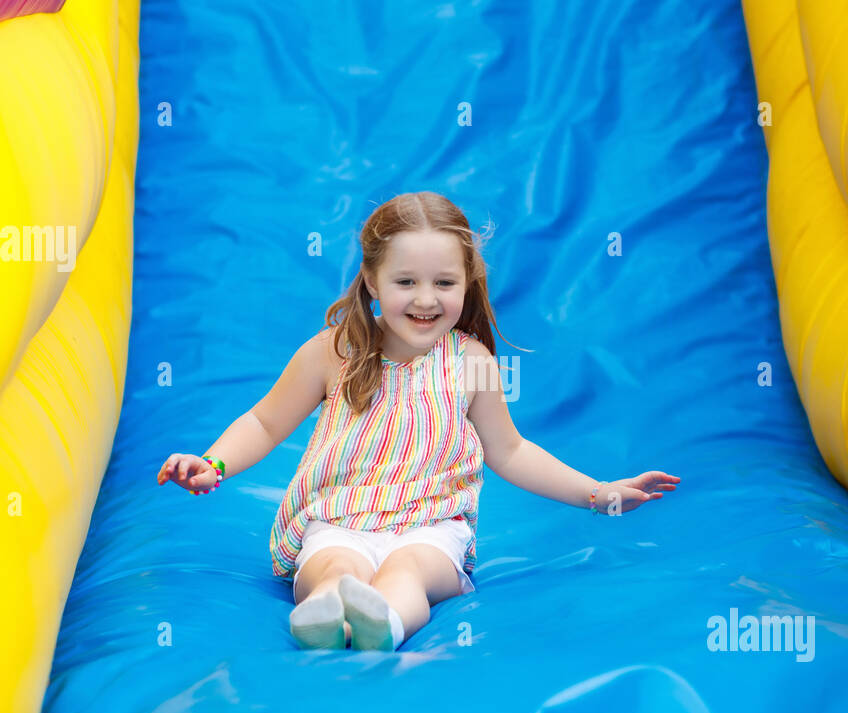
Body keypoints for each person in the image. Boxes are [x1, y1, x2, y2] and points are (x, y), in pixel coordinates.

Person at [157, 191, 678, 651]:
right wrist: (214, 463)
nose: (426, 299)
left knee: (406, 570)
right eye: (406, 281)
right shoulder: (334, 352)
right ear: (372, 280)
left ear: (467, 284)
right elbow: (266, 422)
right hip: (339, 518)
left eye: (444, 283)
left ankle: (383, 622)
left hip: (431, 527)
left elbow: (510, 451)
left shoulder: (470, 360)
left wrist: (596, 491)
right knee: (337, 567)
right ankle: (320, 616)